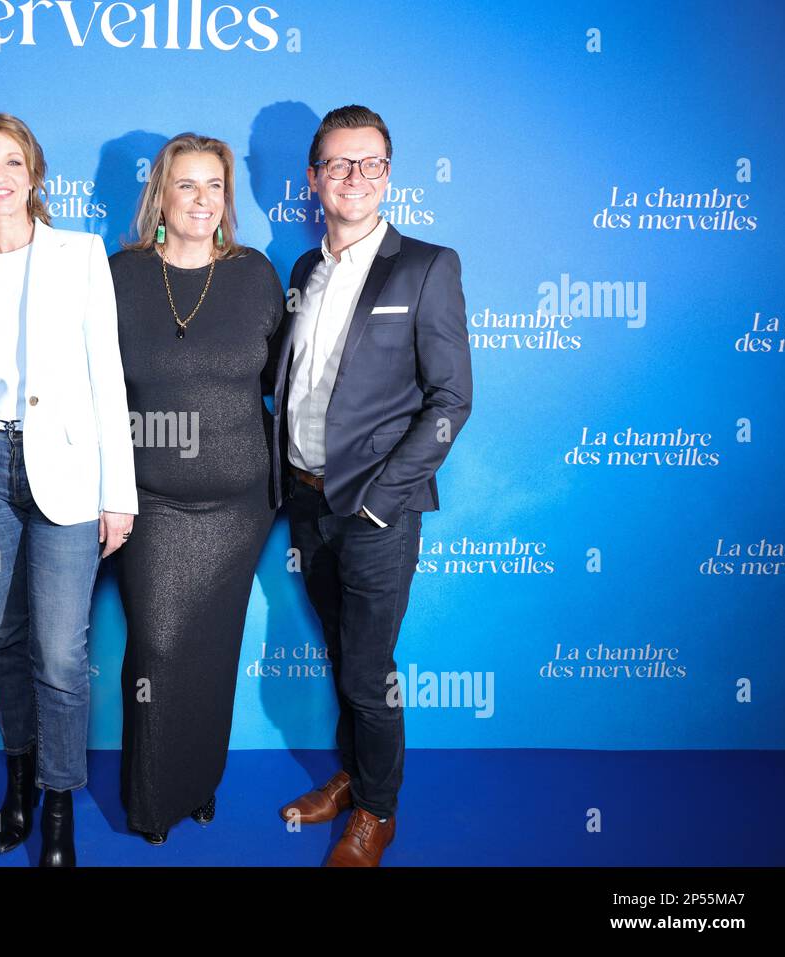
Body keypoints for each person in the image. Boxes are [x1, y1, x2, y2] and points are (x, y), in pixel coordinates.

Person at [0, 112, 136, 867]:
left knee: (58, 650)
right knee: (1, 637)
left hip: (68, 473)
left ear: (34, 172)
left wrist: (120, 492)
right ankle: (16, 776)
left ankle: (56, 807)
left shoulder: (81, 256)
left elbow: (108, 379)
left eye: (12, 161)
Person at [270, 105, 472, 866]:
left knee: (367, 670)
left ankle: (378, 813)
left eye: (371, 163)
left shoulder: (426, 266)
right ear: (314, 178)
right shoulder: (302, 270)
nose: (354, 177)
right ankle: (353, 776)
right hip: (306, 497)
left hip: (375, 512)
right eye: (338, 164)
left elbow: (452, 400)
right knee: (339, 654)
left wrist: (383, 502)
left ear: (388, 174)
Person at [109, 134, 283, 845]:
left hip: (240, 506)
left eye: (215, 185)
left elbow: (286, 386)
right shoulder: (118, 275)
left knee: (212, 650)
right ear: (161, 193)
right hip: (150, 501)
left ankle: (199, 782)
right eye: (187, 184)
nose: (202, 199)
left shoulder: (256, 276)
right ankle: (152, 801)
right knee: (156, 648)